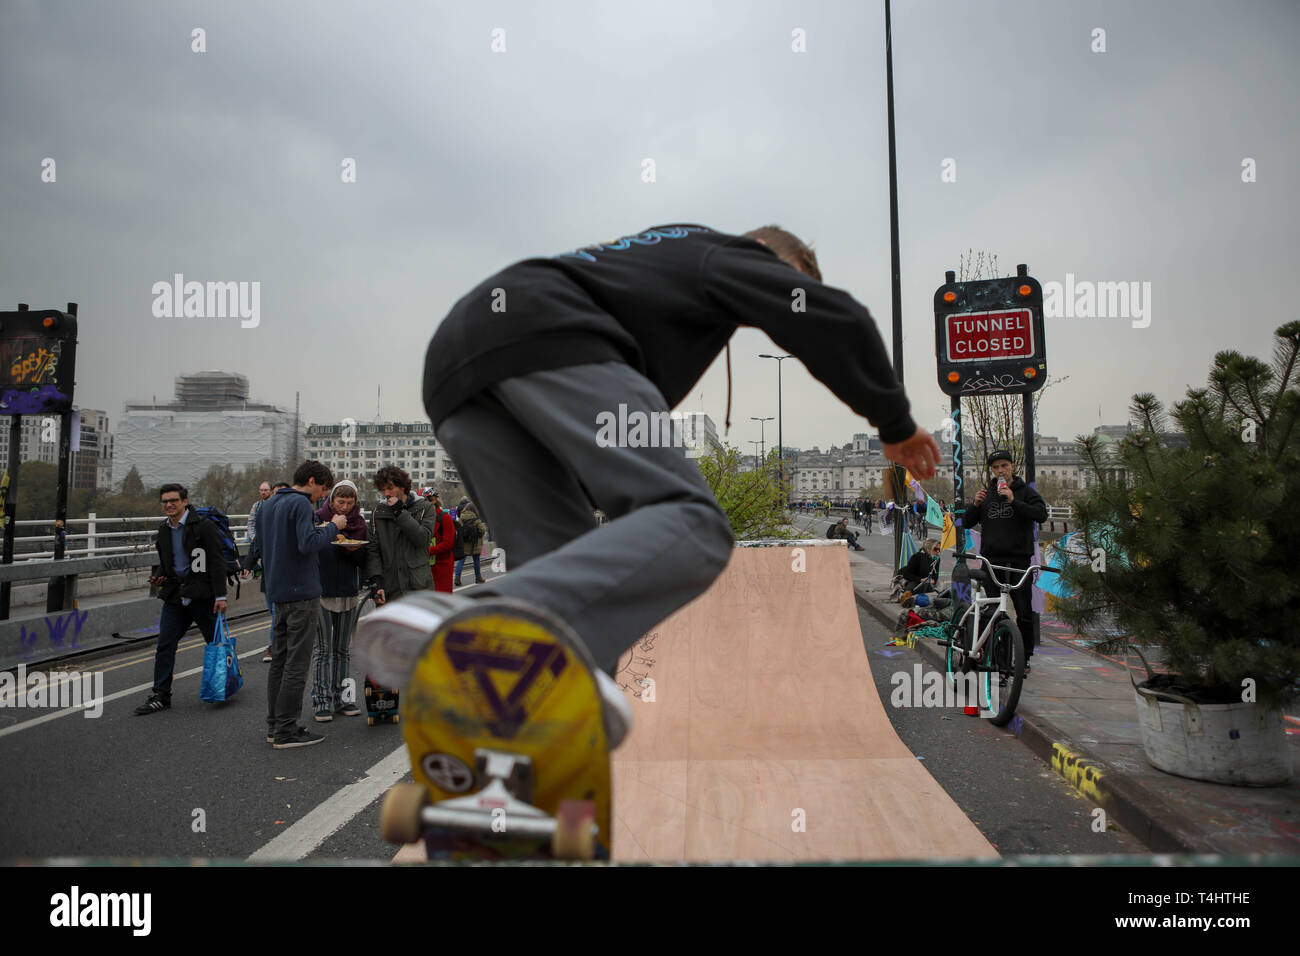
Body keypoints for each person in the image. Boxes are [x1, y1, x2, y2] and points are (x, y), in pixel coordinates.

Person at [396, 222, 938, 748]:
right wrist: (894, 423)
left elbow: (593, 437)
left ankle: (507, 781)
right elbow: (835, 316)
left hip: (458, 370)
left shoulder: (655, 281)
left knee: (572, 594)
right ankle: (473, 622)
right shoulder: (724, 252)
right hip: (548, 334)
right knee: (694, 525)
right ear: (773, 259)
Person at [261, 462, 348, 748]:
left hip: (278, 591)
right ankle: (288, 729)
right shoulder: (300, 505)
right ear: (312, 481)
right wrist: (333, 527)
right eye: (323, 489)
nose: (322, 496)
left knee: (280, 662)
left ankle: (275, 725)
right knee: (297, 665)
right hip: (302, 592)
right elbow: (307, 544)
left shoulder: (270, 504)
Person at [134, 484, 230, 715]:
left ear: (185, 501)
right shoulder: (163, 531)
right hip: (176, 596)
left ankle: (224, 683)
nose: (169, 505)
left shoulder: (203, 527)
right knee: (165, 645)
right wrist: (158, 577)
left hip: (202, 595)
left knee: (215, 644)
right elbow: (166, 564)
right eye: (165, 501)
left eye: (174, 500)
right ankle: (160, 695)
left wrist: (220, 595)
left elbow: (217, 562)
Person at [960, 449, 1048, 671]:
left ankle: (1024, 658)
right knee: (992, 611)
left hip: (1018, 562)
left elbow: (1041, 514)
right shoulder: (987, 494)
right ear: (991, 470)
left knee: (1024, 612)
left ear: (1011, 467)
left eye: (1004, 466)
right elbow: (967, 523)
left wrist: (1013, 500)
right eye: (996, 467)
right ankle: (996, 653)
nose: (1000, 471)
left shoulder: (1025, 492)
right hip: (992, 561)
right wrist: (975, 506)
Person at [311, 479, 368, 722]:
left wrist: (355, 551)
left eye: (349, 502)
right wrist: (330, 530)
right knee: (323, 650)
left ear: (355, 503)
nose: (344, 507)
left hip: (348, 591)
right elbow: (309, 549)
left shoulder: (360, 525)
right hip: (321, 592)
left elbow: (364, 558)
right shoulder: (317, 519)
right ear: (331, 500)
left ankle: (344, 698)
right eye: (340, 501)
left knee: (343, 650)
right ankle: (321, 701)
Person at [366, 467, 440, 606]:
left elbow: (422, 539)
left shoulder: (425, 508)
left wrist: (400, 512)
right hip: (390, 588)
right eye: (383, 489)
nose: (386, 493)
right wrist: (377, 582)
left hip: (418, 586)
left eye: (390, 487)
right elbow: (373, 550)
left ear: (402, 486)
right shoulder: (378, 512)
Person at [423, 488, 457, 594]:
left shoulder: (445, 518)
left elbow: (448, 543)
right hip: (427, 564)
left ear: (434, 501)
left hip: (442, 564)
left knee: (442, 596)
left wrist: (428, 551)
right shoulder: (422, 518)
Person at [454, 502, 488, 586]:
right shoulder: (476, 519)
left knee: (461, 561)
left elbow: (457, 529)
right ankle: (478, 578)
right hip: (475, 544)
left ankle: (457, 578)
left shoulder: (460, 518)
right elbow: (482, 530)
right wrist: (479, 536)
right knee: (476, 561)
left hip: (464, 544)